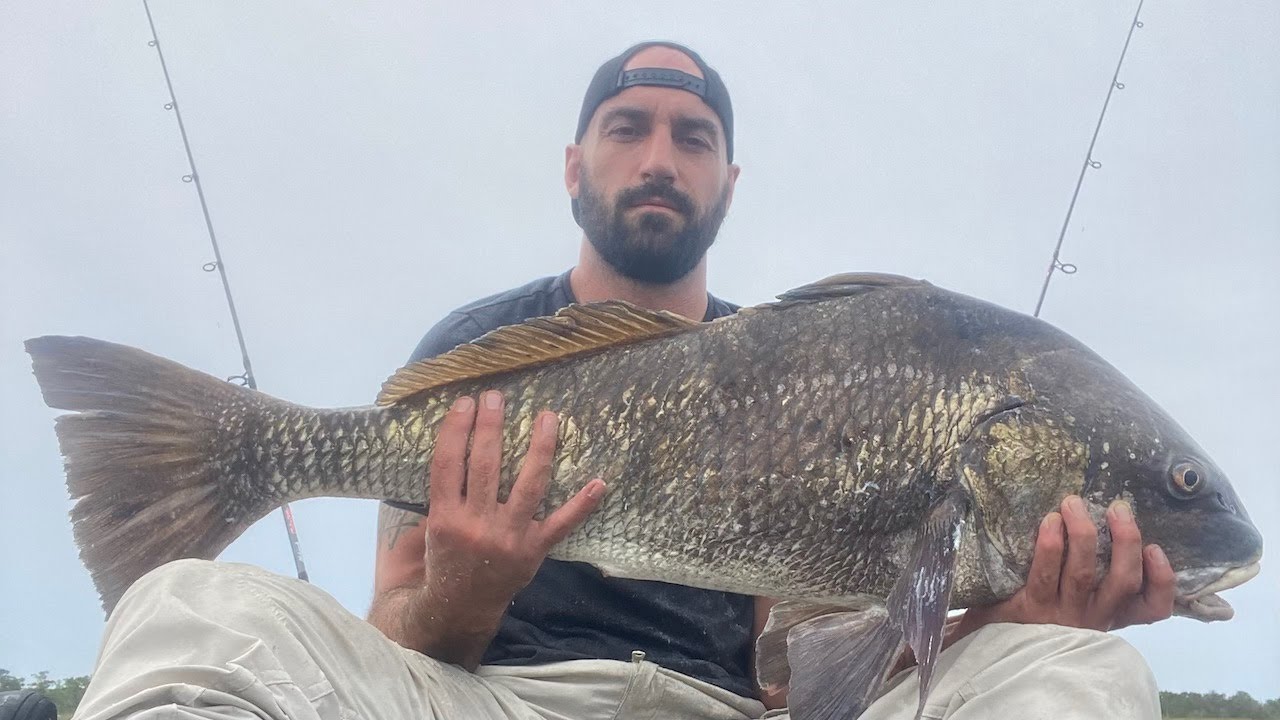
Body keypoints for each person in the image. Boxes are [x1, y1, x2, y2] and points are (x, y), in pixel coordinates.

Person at [71, 41, 1172, 720]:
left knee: (1081, 673)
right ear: (573, 162)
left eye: (692, 138)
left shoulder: (815, 370)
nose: (658, 157)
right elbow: (393, 632)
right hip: (487, 698)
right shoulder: (476, 343)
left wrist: (1019, 616)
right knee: (194, 605)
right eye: (626, 129)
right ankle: (230, 466)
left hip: (722, 709)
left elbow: (799, 679)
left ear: (727, 182)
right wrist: (467, 585)